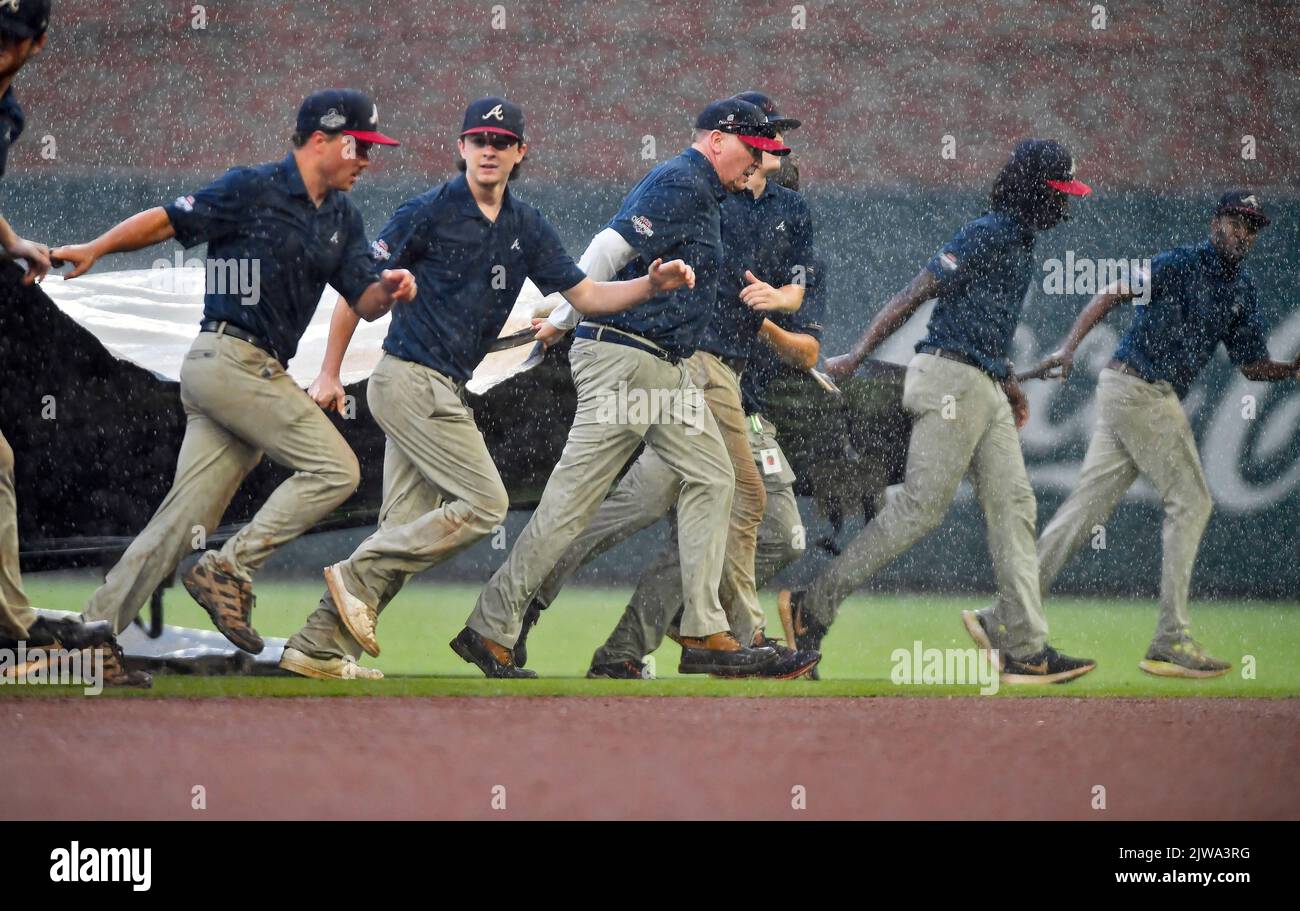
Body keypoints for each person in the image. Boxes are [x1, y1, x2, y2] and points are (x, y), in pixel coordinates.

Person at [279, 97, 694, 680]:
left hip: (443, 387)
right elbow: (358, 290)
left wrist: (649, 285)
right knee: (484, 505)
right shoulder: (426, 211)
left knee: (405, 531)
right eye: (479, 140)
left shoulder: (526, 226)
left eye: (501, 142)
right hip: (408, 382)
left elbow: (589, 297)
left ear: (520, 152)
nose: (489, 150)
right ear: (461, 148)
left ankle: (316, 647)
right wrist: (328, 372)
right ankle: (353, 572)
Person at [52, 90, 416, 674]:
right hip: (226, 359)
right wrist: (97, 247)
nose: (368, 159)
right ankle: (230, 566)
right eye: (361, 145)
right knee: (337, 469)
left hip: (254, 375)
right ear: (320, 139)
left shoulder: (343, 218)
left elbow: (364, 300)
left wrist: (391, 289)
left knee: (179, 524)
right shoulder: (252, 187)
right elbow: (169, 220)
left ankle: (89, 638)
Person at [455, 98, 788, 679]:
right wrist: (563, 315)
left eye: (765, 148)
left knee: (715, 477)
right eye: (751, 144)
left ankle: (705, 628)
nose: (759, 156)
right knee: (570, 504)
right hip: (625, 358)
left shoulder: (707, 191)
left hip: (663, 368)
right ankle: (491, 627)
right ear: (715, 140)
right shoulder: (682, 180)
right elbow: (609, 250)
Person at [786, 139, 1098, 684]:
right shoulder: (989, 232)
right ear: (1034, 192)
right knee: (919, 510)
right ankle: (812, 606)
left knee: (1015, 506)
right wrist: (859, 354)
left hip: (982, 383)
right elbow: (917, 291)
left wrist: (1008, 383)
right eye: (1059, 193)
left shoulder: (1019, 240)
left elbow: (983, 325)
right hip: (949, 378)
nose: (1066, 205)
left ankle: (1021, 644)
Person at [1029, 190, 1300, 678]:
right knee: (1192, 501)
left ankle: (1008, 615)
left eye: (1253, 226)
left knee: (1085, 508)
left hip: (1138, 394)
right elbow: (1111, 293)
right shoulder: (1179, 264)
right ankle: (1170, 640)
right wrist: (1069, 350)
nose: (1245, 232)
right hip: (1138, 389)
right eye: (1238, 221)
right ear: (1215, 221)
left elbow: (1253, 365)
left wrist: (1289, 370)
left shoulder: (1241, 290)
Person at [0, 0, 125, 679]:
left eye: (10, 37)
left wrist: (13, 240)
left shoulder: (8, 113)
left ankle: (13, 627)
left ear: (37, 43)